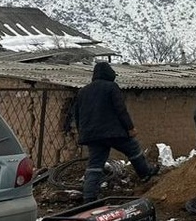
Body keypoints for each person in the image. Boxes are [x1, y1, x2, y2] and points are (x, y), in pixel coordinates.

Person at [68, 62, 159, 203]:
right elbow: (120, 109)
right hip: (112, 132)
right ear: (108, 73)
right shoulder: (111, 87)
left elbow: (77, 115)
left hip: (92, 135)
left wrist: (83, 133)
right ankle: (145, 174)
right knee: (133, 149)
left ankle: (89, 196)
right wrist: (130, 128)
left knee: (95, 164)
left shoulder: (83, 91)